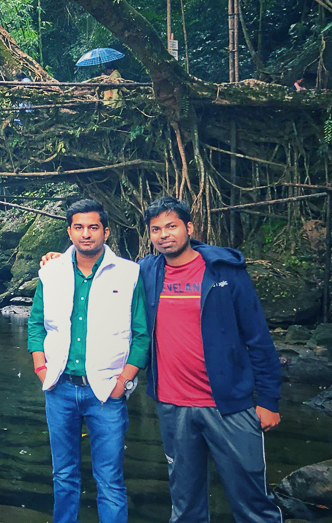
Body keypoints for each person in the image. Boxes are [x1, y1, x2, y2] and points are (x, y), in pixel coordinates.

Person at [40, 196, 284, 523]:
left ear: (190, 228)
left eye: (172, 226)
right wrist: (58, 260)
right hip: (172, 405)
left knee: (252, 502)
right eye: (156, 229)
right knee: (185, 504)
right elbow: (96, 270)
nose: (164, 234)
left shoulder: (224, 272)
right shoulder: (146, 272)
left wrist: (268, 400)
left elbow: (258, 338)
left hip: (228, 403)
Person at [27, 199, 149, 523]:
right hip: (59, 389)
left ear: (106, 232)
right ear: (69, 231)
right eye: (78, 227)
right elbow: (36, 325)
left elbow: (142, 336)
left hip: (106, 392)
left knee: (109, 480)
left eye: (93, 227)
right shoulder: (50, 272)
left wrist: (123, 382)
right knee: (64, 475)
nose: (86, 234)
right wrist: (41, 368)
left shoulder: (129, 274)